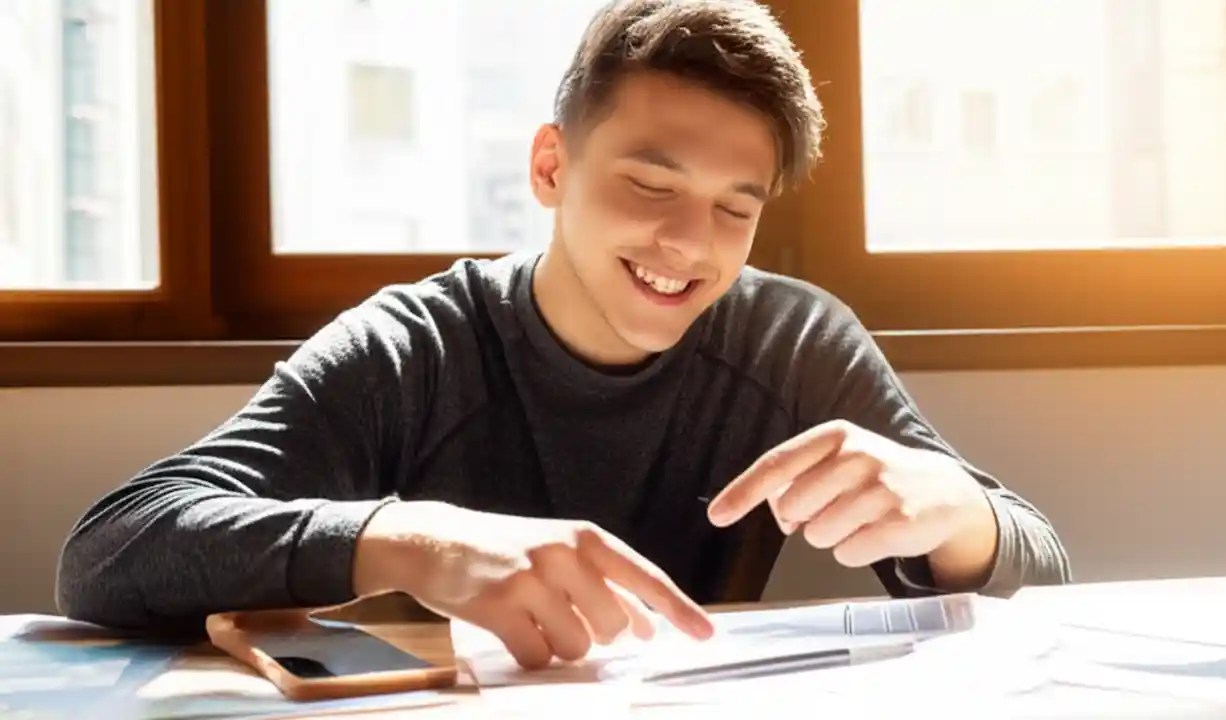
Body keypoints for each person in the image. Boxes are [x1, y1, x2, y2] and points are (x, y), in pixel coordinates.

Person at [56, 0, 1069, 669]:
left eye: (734, 207)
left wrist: (956, 516)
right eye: (649, 183)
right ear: (550, 168)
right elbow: (109, 554)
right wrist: (410, 541)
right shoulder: (414, 348)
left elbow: (1046, 576)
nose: (687, 244)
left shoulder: (789, 339)